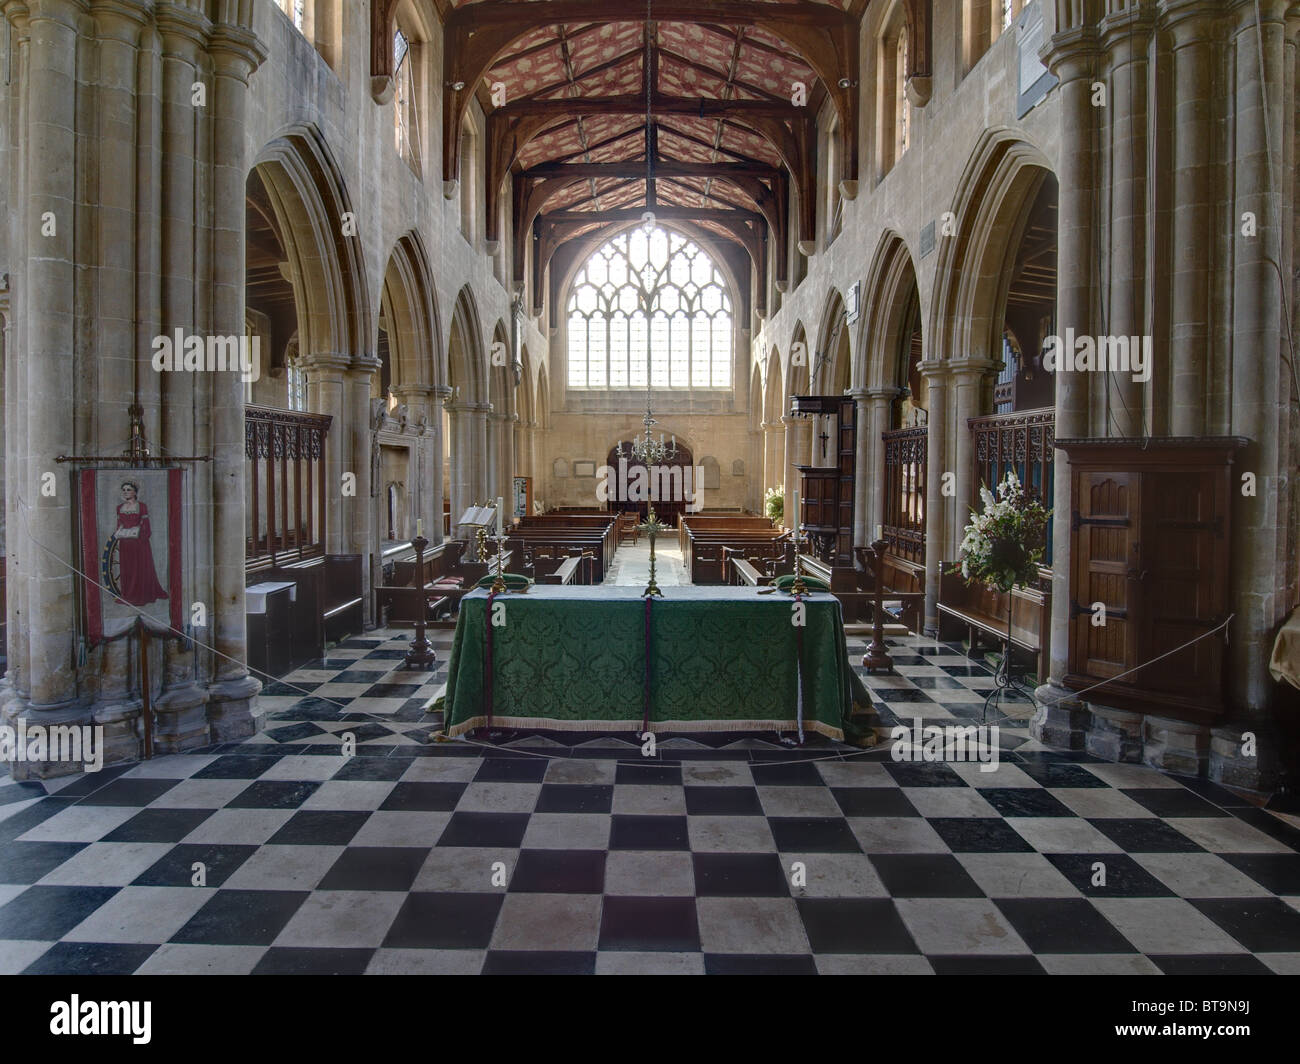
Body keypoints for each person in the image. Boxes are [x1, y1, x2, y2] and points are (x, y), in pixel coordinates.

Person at [113, 481, 168, 606]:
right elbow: (119, 525)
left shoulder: (142, 506)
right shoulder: (119, 508)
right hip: (125, 543)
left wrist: (140, 535)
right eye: (124, 490)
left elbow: (146, 526)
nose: (126, 492)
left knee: (139, 568)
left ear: (135, 492)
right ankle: (128, 594)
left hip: (139, 543)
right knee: (127, 569)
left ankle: (141, 595)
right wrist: (119, 533)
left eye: (129, 489)